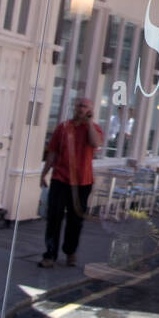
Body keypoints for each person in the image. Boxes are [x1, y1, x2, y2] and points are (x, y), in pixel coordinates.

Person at [39, 98, 103, 268]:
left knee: (75, 220)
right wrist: (44, 173)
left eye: (84, 106)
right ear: (74, 108)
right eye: (78, 106)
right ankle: (50, 254)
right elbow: (52, 152)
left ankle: (70, 251)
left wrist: (89, 122)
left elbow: (96, 143)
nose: (80, 109)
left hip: (82, 181)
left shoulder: (94, 129)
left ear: (90, 110)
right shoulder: (63, 127)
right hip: (60, 178)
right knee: (54, 218)